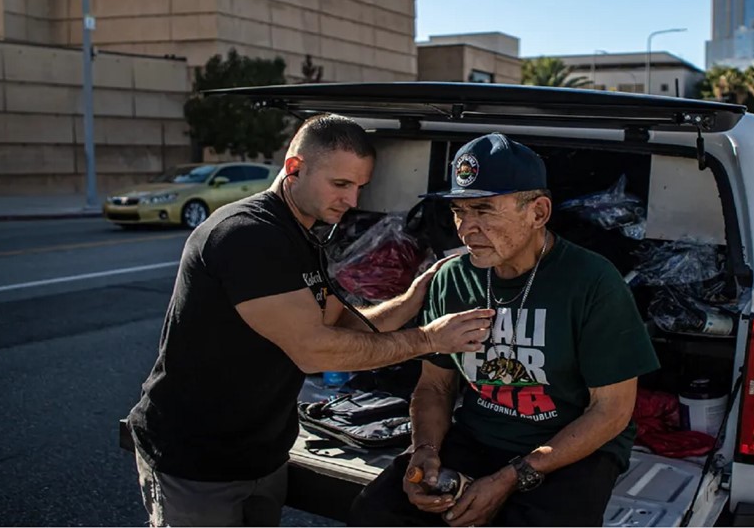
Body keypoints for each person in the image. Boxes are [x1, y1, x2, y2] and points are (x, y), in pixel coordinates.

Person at [127, 114, 494, 527]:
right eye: (340, 184)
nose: (352, 200)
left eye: (360, 187)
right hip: (194, 459)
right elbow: (314, 350)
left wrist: (411, 300)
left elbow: (343, 326)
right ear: (294, 168)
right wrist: (428, 339)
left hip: (260, 454)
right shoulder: (245, 234)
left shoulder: (305, 233)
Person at [350, 133, 660, 527]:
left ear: (538, 212)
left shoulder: (593, 282)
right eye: (460, 211)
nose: (466, 228)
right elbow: (435, 386)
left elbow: (611, 412)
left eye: (484, 209)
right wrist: (424, 451)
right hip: (480, 437)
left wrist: (510, 478)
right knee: (375, 512)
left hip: (575, 448)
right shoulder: (452, 279)